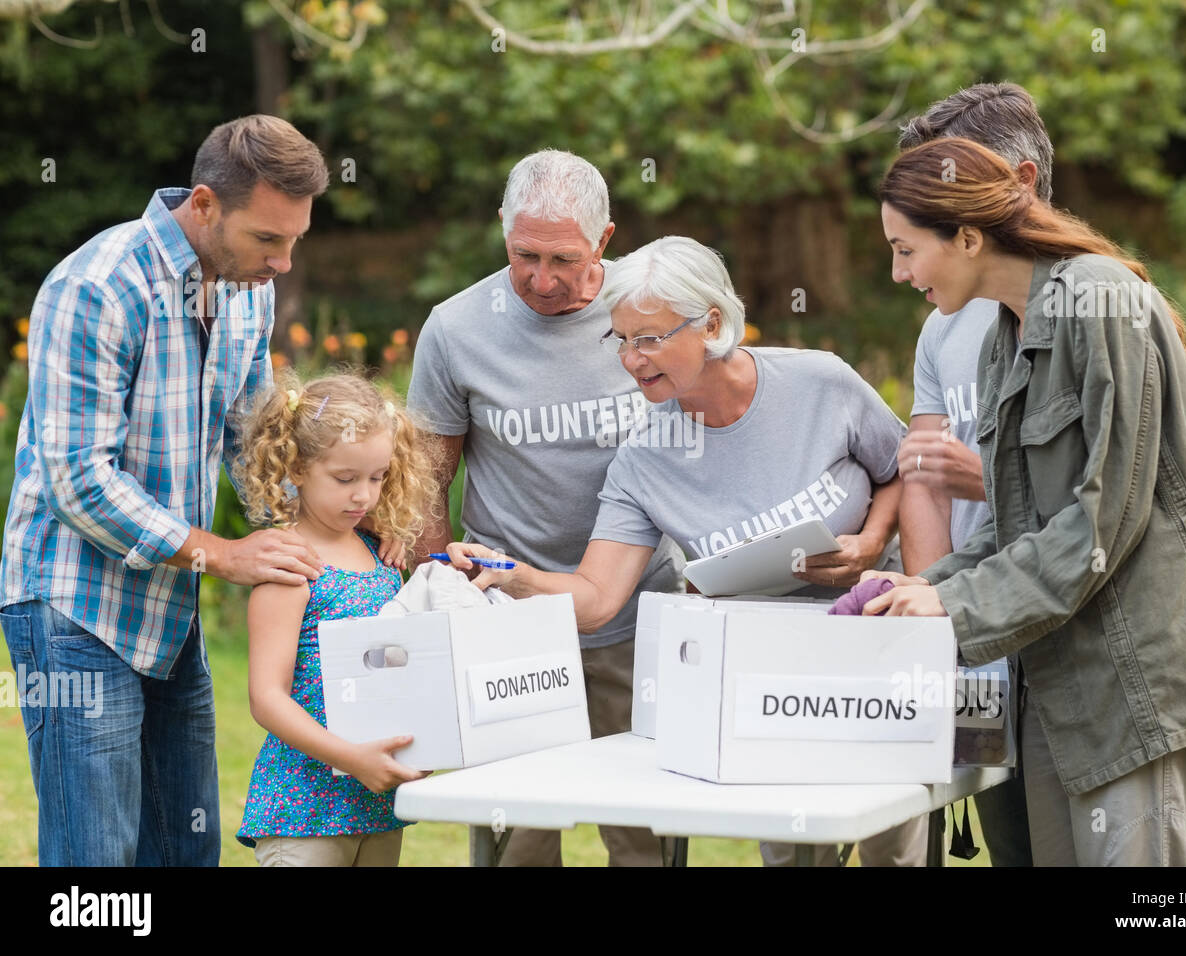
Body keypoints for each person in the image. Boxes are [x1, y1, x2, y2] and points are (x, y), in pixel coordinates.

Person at [867, 137, 1186, 865]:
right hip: (1056, 681)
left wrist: (956, 606)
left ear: (968, 237)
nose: (898, 272)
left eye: (906, 250)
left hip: (1132, 686)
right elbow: (1015, 524)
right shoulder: (1007, 332)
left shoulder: (1103, 300)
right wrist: (921, 588)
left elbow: (1104, 521)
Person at [449, 235, 928, 867]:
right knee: (790, 853)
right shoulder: (643, 459)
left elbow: (903, 469)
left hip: (873, 645)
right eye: (619, 339)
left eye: (647, 338)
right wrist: (514, 577)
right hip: (765, 674)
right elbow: (595, 601)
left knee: (891, 849)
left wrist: (871, 542)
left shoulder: (820, 382)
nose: (630, 359)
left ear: (712, 324)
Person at [0, 115, 330, 867]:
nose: (282, 263)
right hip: (73, 607)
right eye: (266, 241)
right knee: (97, 863)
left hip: (166, 609)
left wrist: (334, 540)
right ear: (206, 205)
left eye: (294, 242)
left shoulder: (249, 292)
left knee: (185, 849)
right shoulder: (97, 286)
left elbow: (254, 442)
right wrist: (223, 556)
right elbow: (77, 480)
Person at [407, 149, 684, 867]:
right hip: (510, 626)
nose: (540, 278)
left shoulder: (651, 313)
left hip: (640, 614)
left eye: (563, 259)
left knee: (647, 838)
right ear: (502, 227)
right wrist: (446, 594)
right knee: (517, 842)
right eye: (523, 253)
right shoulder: (457, 328)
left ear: (605, 241)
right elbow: (426, 482)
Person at [893, 82, 1053, 867]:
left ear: (1017, 183)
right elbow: (921, 475)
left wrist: (990, 478)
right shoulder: (942, 323)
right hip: (972, 634)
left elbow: (1115, 496)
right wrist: (933, 613)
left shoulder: (1093, 306)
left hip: (1060, 631)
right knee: (1010, 846)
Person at [234, 373, 436, 866]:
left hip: (377, 804)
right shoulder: (289, 564)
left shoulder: (379, 552)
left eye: (378, 476)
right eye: (345, 479)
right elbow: (267, 698)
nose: (364, 496)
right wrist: (350, 758)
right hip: (304, 809)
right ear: (298, 468)